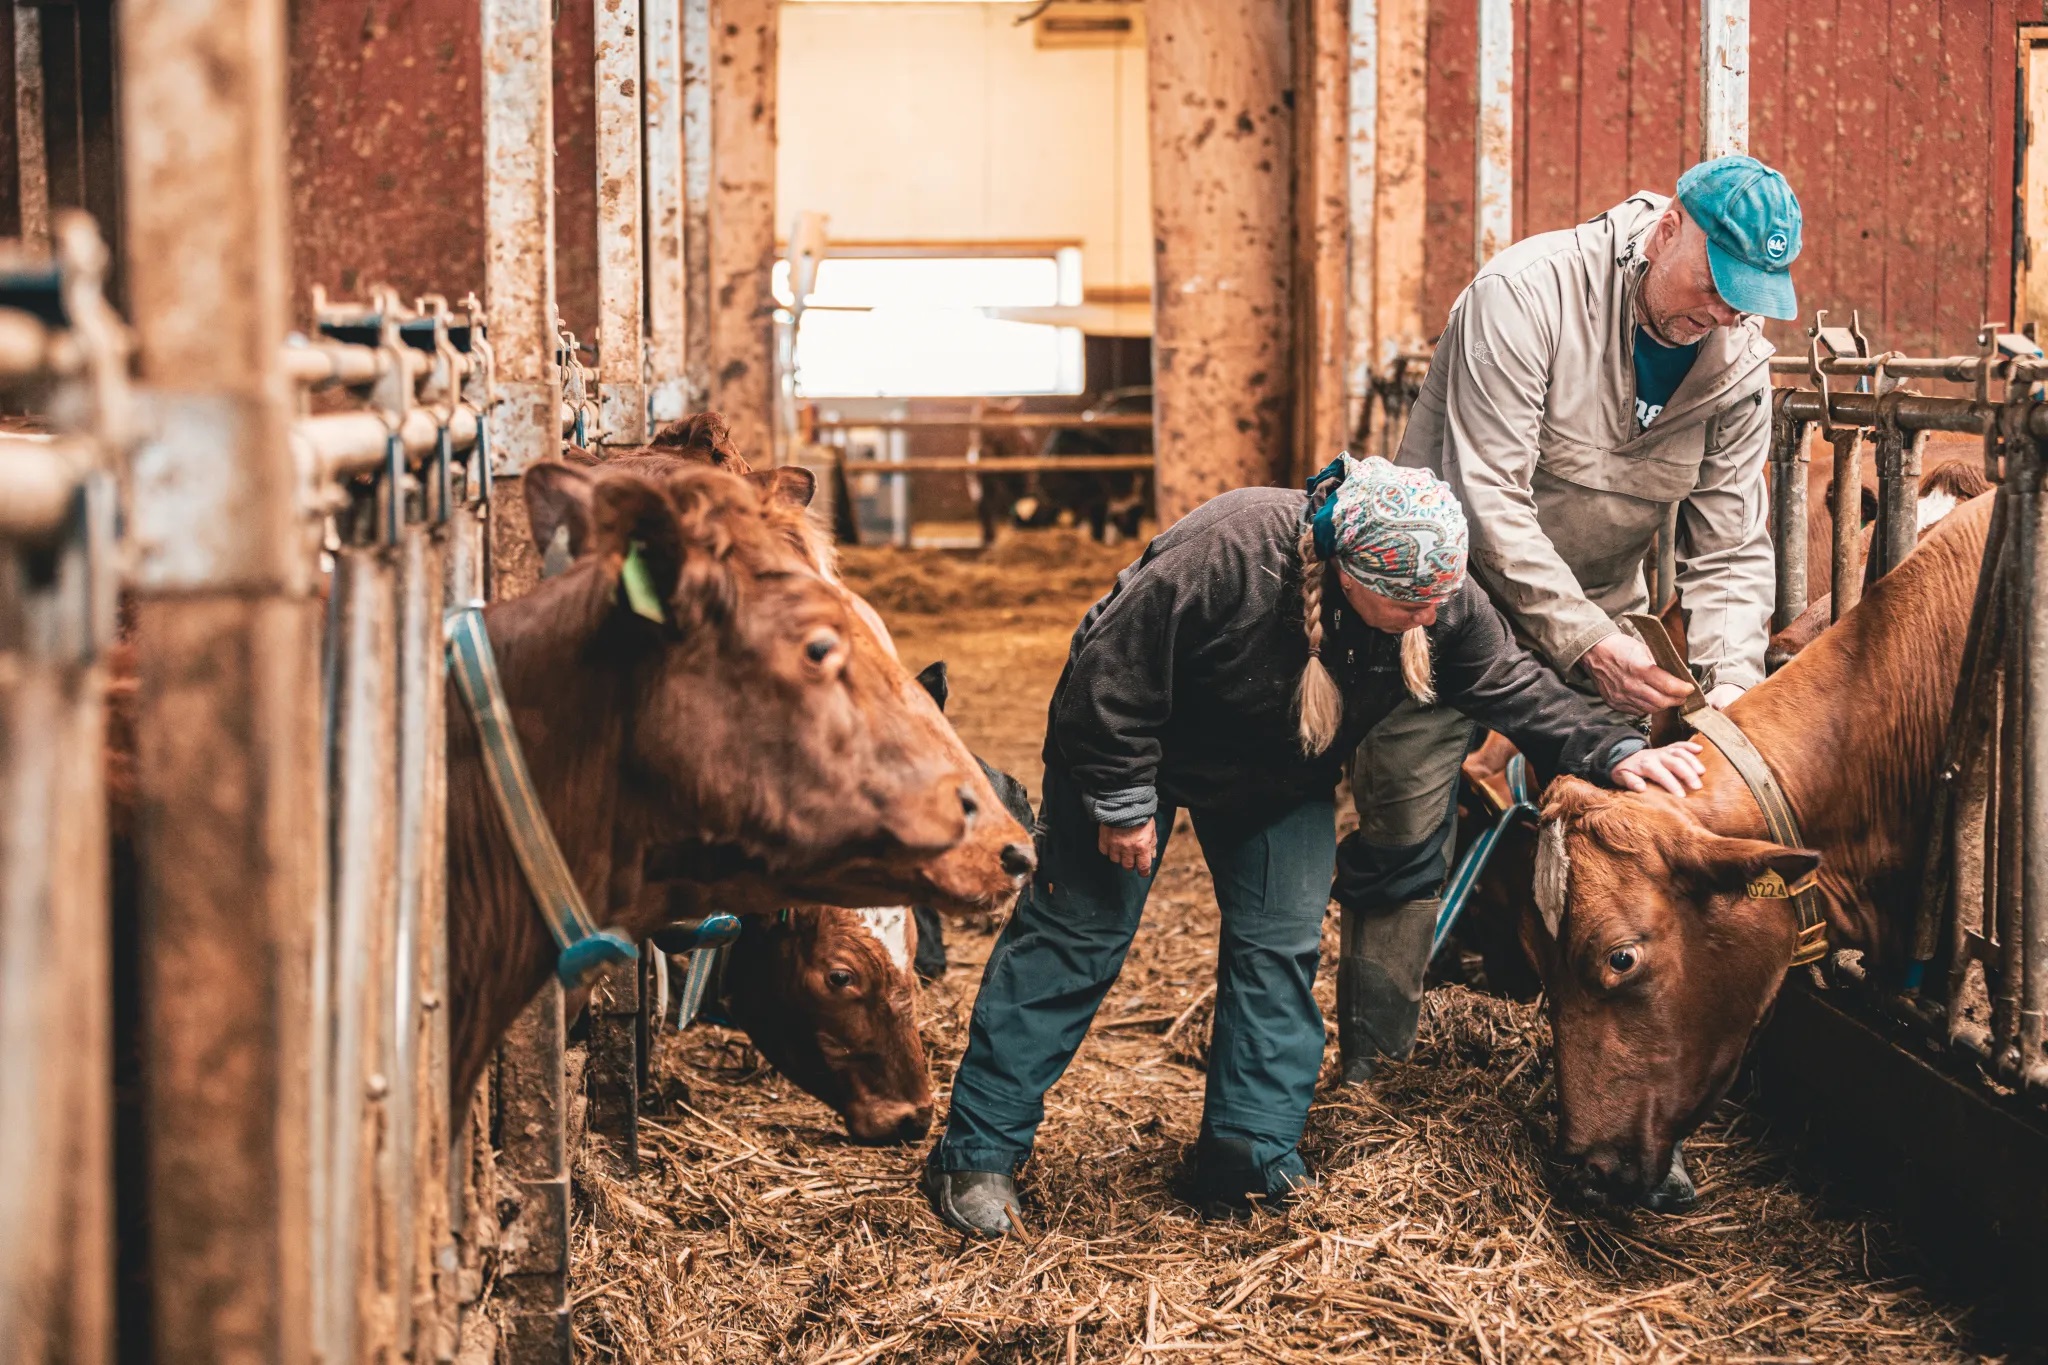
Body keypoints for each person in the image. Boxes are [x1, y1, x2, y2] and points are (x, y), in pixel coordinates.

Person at [923, 455, 1707, 1235]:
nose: (1432, 619)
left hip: (1278, 772)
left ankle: (1246, 1156)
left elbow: (1507, 678)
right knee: (1077, 937)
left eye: (1442, 601)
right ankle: (977, 1152)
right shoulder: (1229, 552)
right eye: (1413, 606)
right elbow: (1108, 674)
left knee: (1279, 945)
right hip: (1136, 754)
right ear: (1350, 576)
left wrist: (1611, 750)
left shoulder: (1432, 589)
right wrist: (1124, 800)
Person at [1334, 155, 1801, 1102]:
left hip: (1604, 635)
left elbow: (1729, 550)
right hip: (1449, 610)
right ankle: (1374, 1080)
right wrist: (1587, 638)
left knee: (1628, 852)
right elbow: (1488, 502)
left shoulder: (1739, 368)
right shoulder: (1526, 294)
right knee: (1403, 820)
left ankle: (1612, 1089)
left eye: (1747, 301)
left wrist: (1733, 699)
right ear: (1669, 225)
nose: (1721, 314)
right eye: (1714, 283)